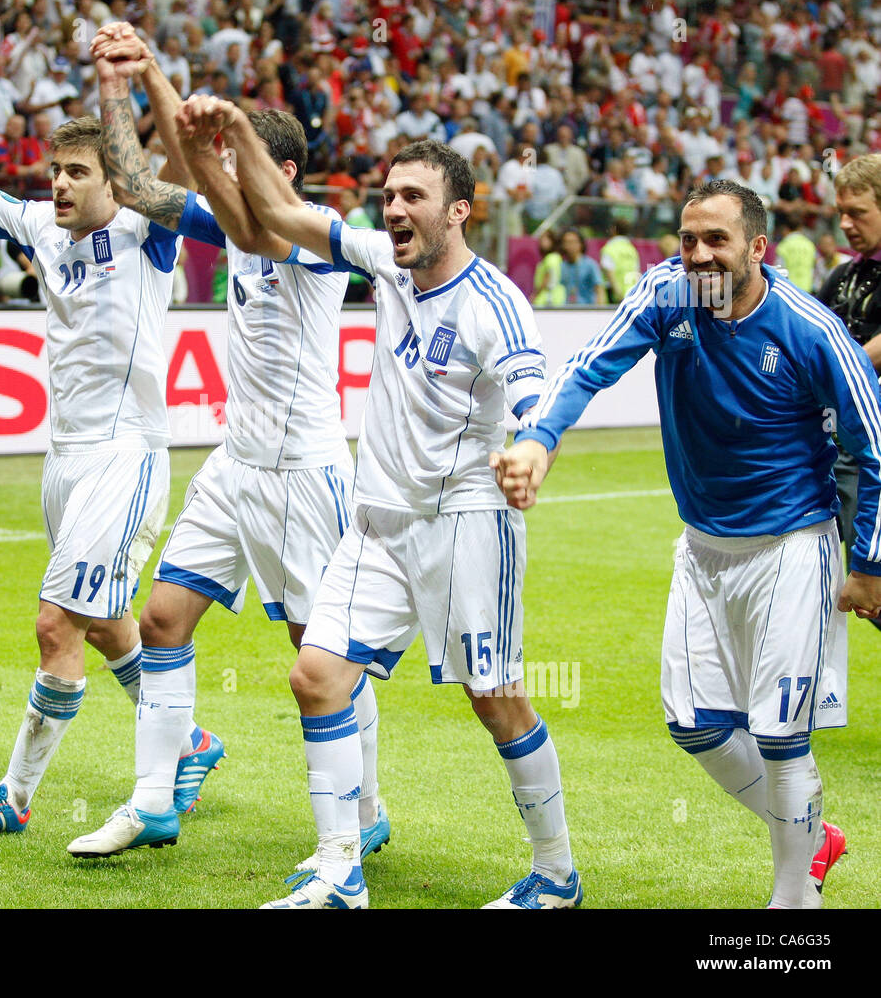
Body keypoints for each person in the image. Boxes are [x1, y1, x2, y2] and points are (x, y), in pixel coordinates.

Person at [178, 98, 580, 909]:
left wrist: (533, 447)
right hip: (377, 523)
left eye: (414, 197)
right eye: (389, 195)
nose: (394, 209)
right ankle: (338, 872)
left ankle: (556, 872)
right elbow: (285, 212)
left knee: (495, 701)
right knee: (315, 676)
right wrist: (231, 136)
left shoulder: (492, 302)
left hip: (468, 524)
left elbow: (533, 385)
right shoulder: (385, 263)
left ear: (459, 211)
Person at [493, 180, 879, 908]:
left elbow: (875, 444)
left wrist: (870, 563)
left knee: (779, 736)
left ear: (757, 249)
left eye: (717, 241)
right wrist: (538, 441)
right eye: (687, 239)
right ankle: (812, 834)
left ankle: (794, 903)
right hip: (703, 548)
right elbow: (587, 368)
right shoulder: (665, 296)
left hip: (793, 548)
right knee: (695, 725)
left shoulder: (809, 328)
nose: (698, 255)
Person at [0, 61, 213, 838]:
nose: (58, 185)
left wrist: (135, 83)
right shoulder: (40, 229)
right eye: (55, 171)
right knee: (109, 622)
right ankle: (190, 742)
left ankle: (14, 798)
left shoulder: (143, 232)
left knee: (57, 624)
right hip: (65, 458)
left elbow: (176, 174)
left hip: (126, 454)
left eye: (77, 173)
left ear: (114, 182)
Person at [67, 25, 384, 861]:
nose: (219, 174)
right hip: (236, 462)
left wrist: (175, 94)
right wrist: (122, 78)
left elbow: (249, 228)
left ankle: (369, 806)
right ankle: (151, 802)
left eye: (234, 161)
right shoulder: (231, 214)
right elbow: (136, 182)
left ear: (280, 173)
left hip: (302, 474)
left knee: (322, 655)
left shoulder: (312, 230)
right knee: (163, 620)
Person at [817, 153, 881, 633]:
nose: (844, 223)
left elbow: (851, 360)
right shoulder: (842, 279)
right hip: (842, 450)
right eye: (840, 212)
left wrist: (841, 366)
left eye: (857, 212)